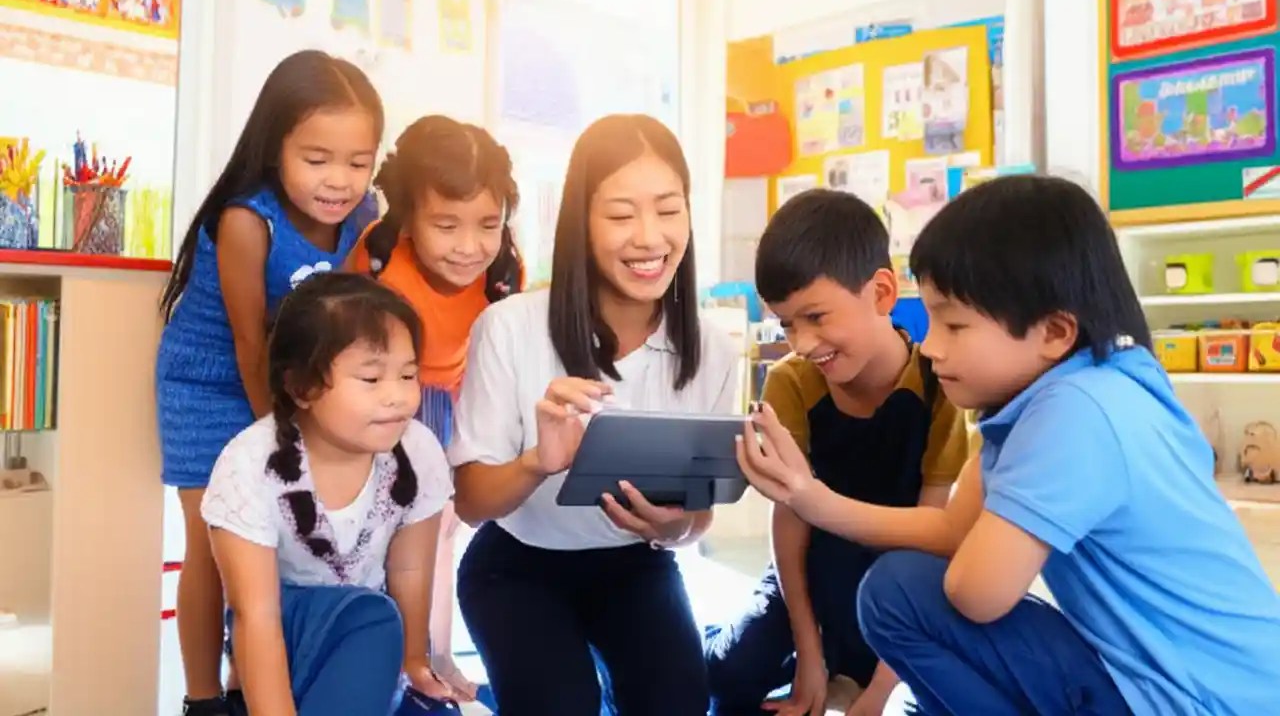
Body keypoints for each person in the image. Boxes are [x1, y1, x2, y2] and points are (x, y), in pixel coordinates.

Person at [737, 175, 1280, 715]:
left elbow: (978, 590)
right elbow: (951, 529)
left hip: (1192, 700)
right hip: (1214, 685)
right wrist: (810, 499)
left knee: (899, 593)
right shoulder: (1103, 378)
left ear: (1053, 333)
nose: (931, 345)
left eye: (954, 325)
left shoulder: (1074, 413)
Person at [447, 114, 740, 716]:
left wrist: (669, 529)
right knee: (562, 704)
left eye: (668, 209)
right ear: (581, 222)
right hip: (517, 566)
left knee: (681, 702)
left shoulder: (712, 350)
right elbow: (473, 502)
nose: (649, 237)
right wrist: (536, 463)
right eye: (620, 214)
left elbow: (697, 516)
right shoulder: (509, 327)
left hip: (635, 567)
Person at [155, 50, 383, 716]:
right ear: (275, 145)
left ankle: (247, 686)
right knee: (213, 541)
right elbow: (250, 341)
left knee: (275, 549)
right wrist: (284, 440)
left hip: (293, 384)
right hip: (211, 382)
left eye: (358, 161)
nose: (339, 181)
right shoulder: (245, 220)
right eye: (317, 160)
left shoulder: (364, 213)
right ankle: (203, 699)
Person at [703, 190, 968, 716]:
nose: (802, 342)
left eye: (817, 317)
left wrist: (880, 692)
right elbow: (790, 523)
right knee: (731, 676)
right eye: (786, 324)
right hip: (803, 574)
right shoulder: (791, 384)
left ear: (882, 292)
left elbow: (931, 543)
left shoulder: (941, 390)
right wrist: (807, 651)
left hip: (897, 587)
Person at [201, 272, 456, 715]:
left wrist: (415, 662)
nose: (397, 397)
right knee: (369, 617)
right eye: (372, 379)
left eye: (408, 374)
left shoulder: (418, 448)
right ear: (302, 387)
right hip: (287, 635)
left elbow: (411, 569)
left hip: (374, 640)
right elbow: (256, 616)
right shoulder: (249, 464)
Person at [345, 115, 523, 700]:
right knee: (384, 530)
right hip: (390, 400)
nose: (469, 246)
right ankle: (388, 654)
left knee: (442, 529)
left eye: (487, 225)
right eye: (446, 225)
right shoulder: (378, 269)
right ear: (408, 218)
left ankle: (434, 654)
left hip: (456, 400)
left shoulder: (503, 273)